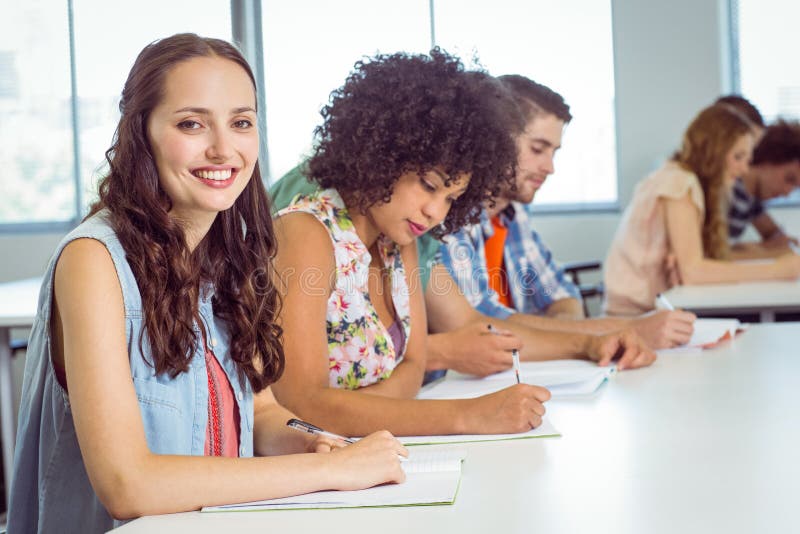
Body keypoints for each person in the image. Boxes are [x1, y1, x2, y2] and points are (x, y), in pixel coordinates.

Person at [8, 34, 406, 534]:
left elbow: (260, 411)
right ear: (141, 134)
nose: (223, 148)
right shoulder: (93, 261)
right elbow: (127, 486)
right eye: (191, 124)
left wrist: (312, 440)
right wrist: (328, 471)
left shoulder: (229, 256)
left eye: (241, 123)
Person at [270, 50, 569, 438]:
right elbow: (302, 406)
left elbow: (415, 365)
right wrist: (467, 416)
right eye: (429, 186)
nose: (435, 213)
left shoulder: (400, 242)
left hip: (375, 455)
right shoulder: (306, 233)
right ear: (384, 155)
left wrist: (358, 409)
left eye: (451, 198)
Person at [432, 75, 695, 356]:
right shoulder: (446, 213)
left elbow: (562, 294)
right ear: (495, 141)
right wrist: (624, 329)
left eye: (554, 152)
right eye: (537, 149)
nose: (549, 167)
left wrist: (567, 329)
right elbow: (479, 323)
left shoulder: (513, 214)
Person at [604, 103, 800, 316]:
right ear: (715, 151)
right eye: (738, 157)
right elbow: (694, 271)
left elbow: (705, 260)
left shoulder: (686, 182)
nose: (744, 169)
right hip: (632, 315)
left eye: (747, 159)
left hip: (653, 310)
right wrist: (777, 270)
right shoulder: (679, 183)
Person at [714, 95, 800, 255]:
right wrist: (762, 250)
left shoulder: (751, 200)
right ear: (769, 157)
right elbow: (710, 255)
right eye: (789, 179)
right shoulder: (725, 185)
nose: (787, 192)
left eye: (795, 188)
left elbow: (776, 237)